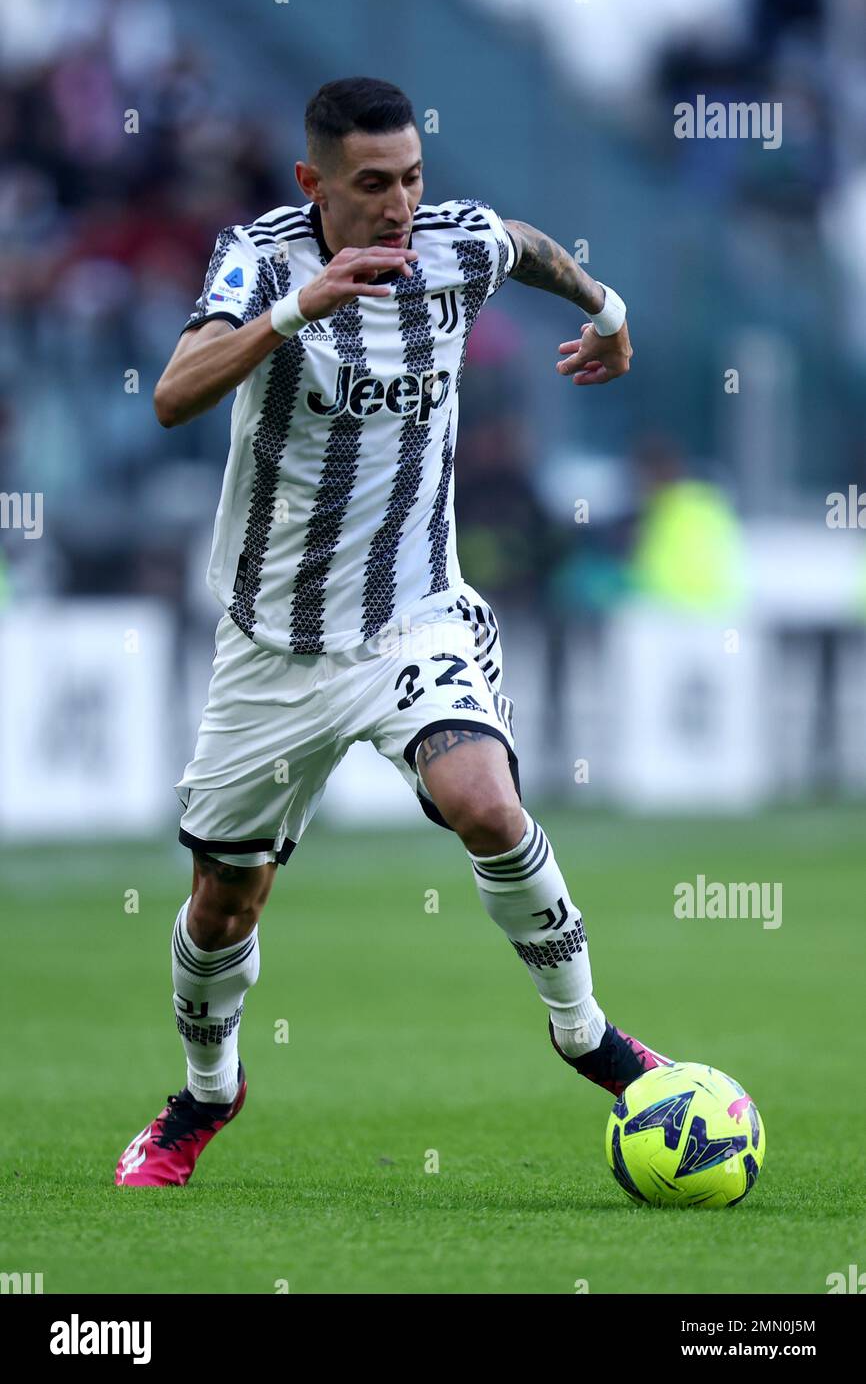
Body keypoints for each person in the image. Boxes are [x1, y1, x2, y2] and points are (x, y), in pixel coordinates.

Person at [116, 76, 667, 1189]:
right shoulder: (261, 260)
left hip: (412, 616)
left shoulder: (451, 245)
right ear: (312, 183)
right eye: (372, 185)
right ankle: (206, 1093)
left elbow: (518, 243)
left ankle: (587, 1037)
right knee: (226, 904)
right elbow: (173, 393)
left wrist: (605, 313)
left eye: (411, 177)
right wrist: (299, 310)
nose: (399, 204)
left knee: (484, 801)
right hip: (271, 644)